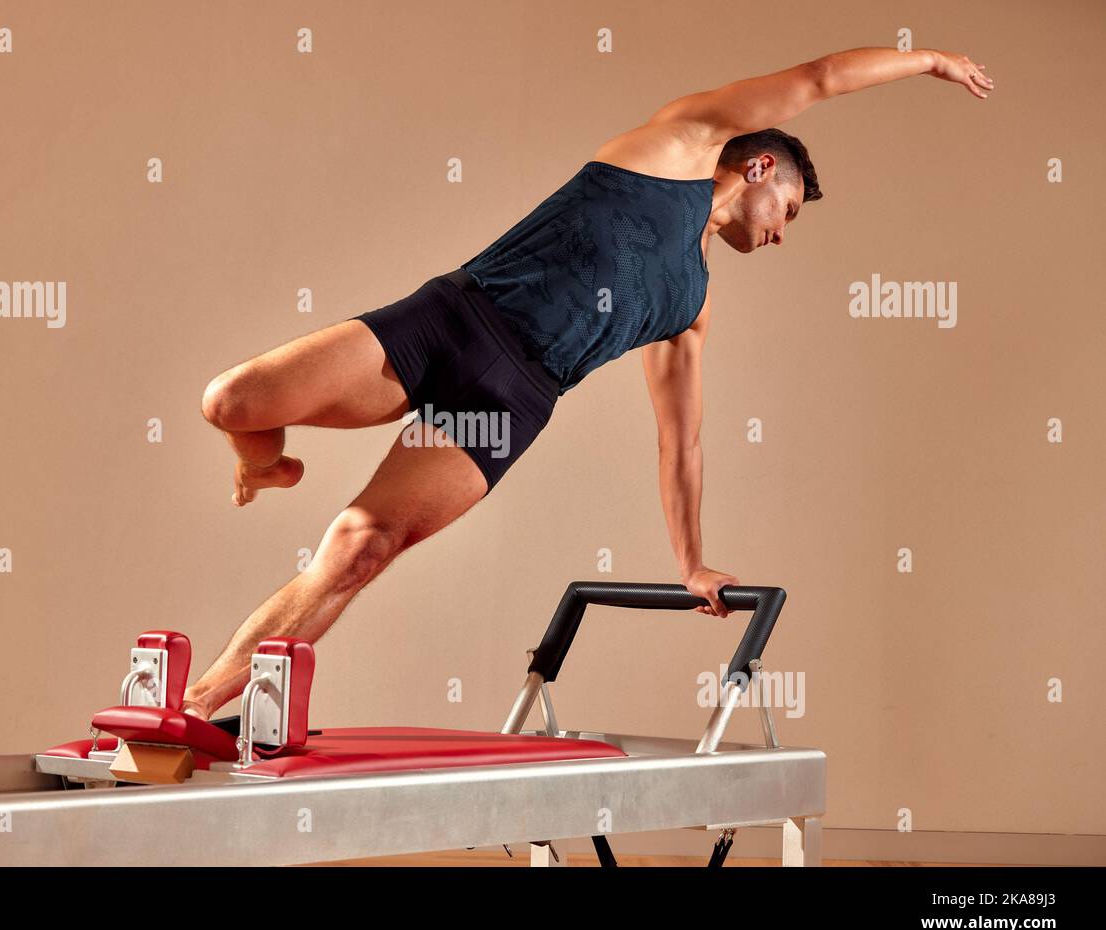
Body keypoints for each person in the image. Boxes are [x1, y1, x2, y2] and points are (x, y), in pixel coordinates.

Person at [182, 46, 994, 719]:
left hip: (511, 401)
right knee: (233, 402)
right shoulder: (678, 143)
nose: (783, 235)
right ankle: (262, 460)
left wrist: (692, 563)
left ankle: (199, 705)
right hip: (454, 320)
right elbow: (817, 80)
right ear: (760, 165)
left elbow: (682, 440)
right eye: (789, 210)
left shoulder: (692, 302)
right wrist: (926, 60)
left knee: (361, 548)